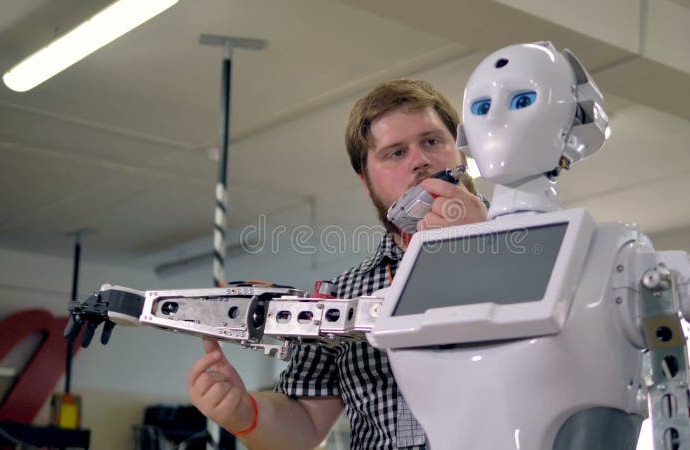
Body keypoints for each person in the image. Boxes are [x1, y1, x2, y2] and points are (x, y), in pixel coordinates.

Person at [187, 78, 489, 449]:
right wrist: (245, 414)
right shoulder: (342, 295)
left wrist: (484, 247)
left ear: (459, 152)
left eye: (432, 141)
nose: (420, 160)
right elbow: (307, 424)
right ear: (367, 182)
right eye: (395, 153)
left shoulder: (546, 241)